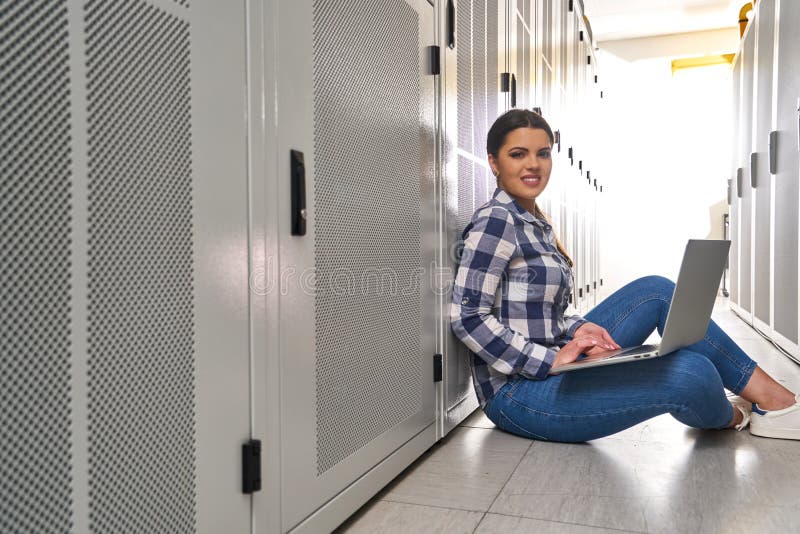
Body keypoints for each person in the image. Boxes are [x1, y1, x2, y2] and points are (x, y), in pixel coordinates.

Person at [450, 108, 800, 442]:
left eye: (543, 153)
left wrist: (577, 329)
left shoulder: (534, 223)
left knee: (656, 291)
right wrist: (550, 359)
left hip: (558, 361)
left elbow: (541, 314)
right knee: (693, 373)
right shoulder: (497, 220)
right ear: (494, 162)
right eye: (518, 154)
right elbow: (467, 317)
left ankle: (775, 401)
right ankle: (737, 415)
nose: (533, 164)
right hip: (518, 393)